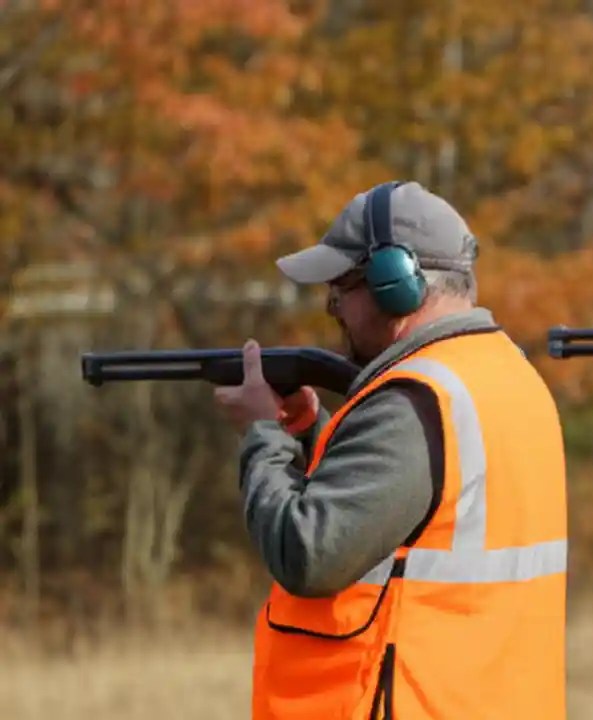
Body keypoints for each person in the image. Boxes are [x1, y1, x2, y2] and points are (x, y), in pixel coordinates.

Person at [213, 180, 569, 720]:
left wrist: (261, 434)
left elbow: (307, 554)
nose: (333, 307)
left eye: (343, 287)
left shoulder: (414, 401)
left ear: (395, 283)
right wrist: (309, 433)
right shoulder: (505, 375)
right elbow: (412, 521)